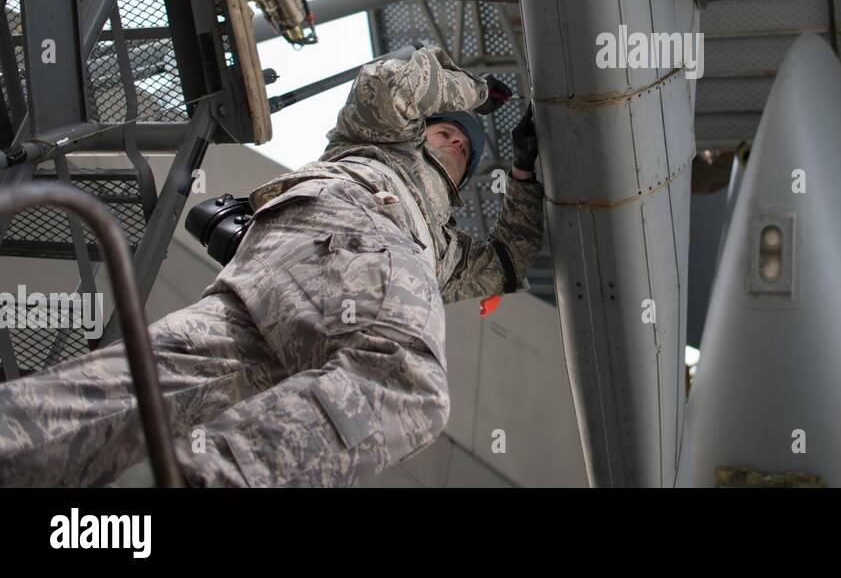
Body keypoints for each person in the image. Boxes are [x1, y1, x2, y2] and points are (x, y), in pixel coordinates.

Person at [0, 44, 544, 487]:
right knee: (404, 384)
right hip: (353, 231)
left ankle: (12, 437)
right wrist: (471, 91)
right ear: (421, 128)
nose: (456, 142)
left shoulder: (444, 248)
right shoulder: (380, 141)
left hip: (277, 275)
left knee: (158, 378)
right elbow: (390, 82)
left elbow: (506, 263)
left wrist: (522, 174)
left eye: (465, 149)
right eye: (447, 129)